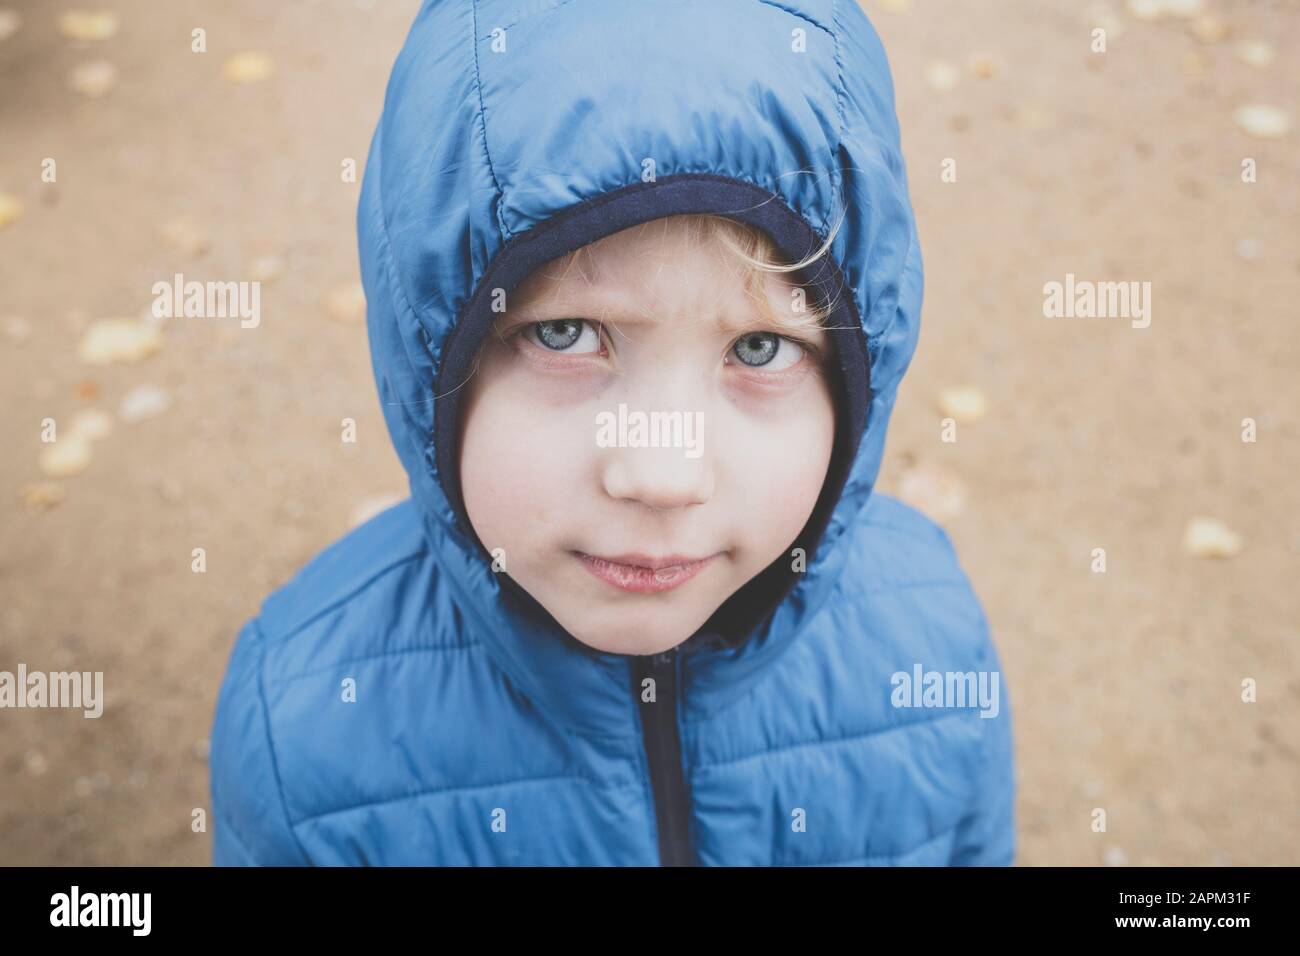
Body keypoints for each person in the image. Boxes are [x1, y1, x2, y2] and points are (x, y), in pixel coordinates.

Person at [209, 0, 1016, 866]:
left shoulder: (933, 651)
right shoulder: (301, 727)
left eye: (759, 347)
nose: (662, 473)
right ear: (433, 352)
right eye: (565, 334)